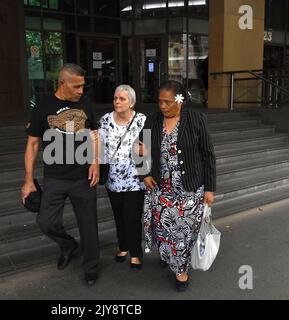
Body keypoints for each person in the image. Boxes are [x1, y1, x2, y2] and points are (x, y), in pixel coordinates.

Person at [21, 63, 100, 286]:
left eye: (83, 86)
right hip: (55, 177)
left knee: (89, 226)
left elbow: (95, 133)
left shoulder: (84, 103)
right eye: (76, 87)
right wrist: (28, 180)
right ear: (62, 83)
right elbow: (33, 144)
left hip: (83, 177)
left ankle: (91, 267)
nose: (81, 91)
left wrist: (96, 162)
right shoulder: (43, 107)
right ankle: (68, 246)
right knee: (46, 222)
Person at [137, 80, 216, 292]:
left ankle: (181, 271)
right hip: (161, 190)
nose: (162, 106)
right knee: (163, 229)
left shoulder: (197, 120)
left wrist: (210, 188)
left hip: (189, 190)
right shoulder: (152, 120)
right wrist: (144, 174)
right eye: (160, 101)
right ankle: (168, 255)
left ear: (180, 101)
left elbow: (208, 156)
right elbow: (139, 149)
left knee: (182, 233)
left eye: (167, 102)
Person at [98, 85, 147, 270]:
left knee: (133, 216)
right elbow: (100, 149)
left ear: (131, 102)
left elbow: (152, 145)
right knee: (118, 215)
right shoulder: (104, 120)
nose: (117, 101)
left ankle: (135, 252)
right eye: (115, 98)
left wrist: (147, 149)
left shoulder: (142, 120)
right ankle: (123, 246)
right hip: (113, 179)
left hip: (136, 179)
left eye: (122, 99)